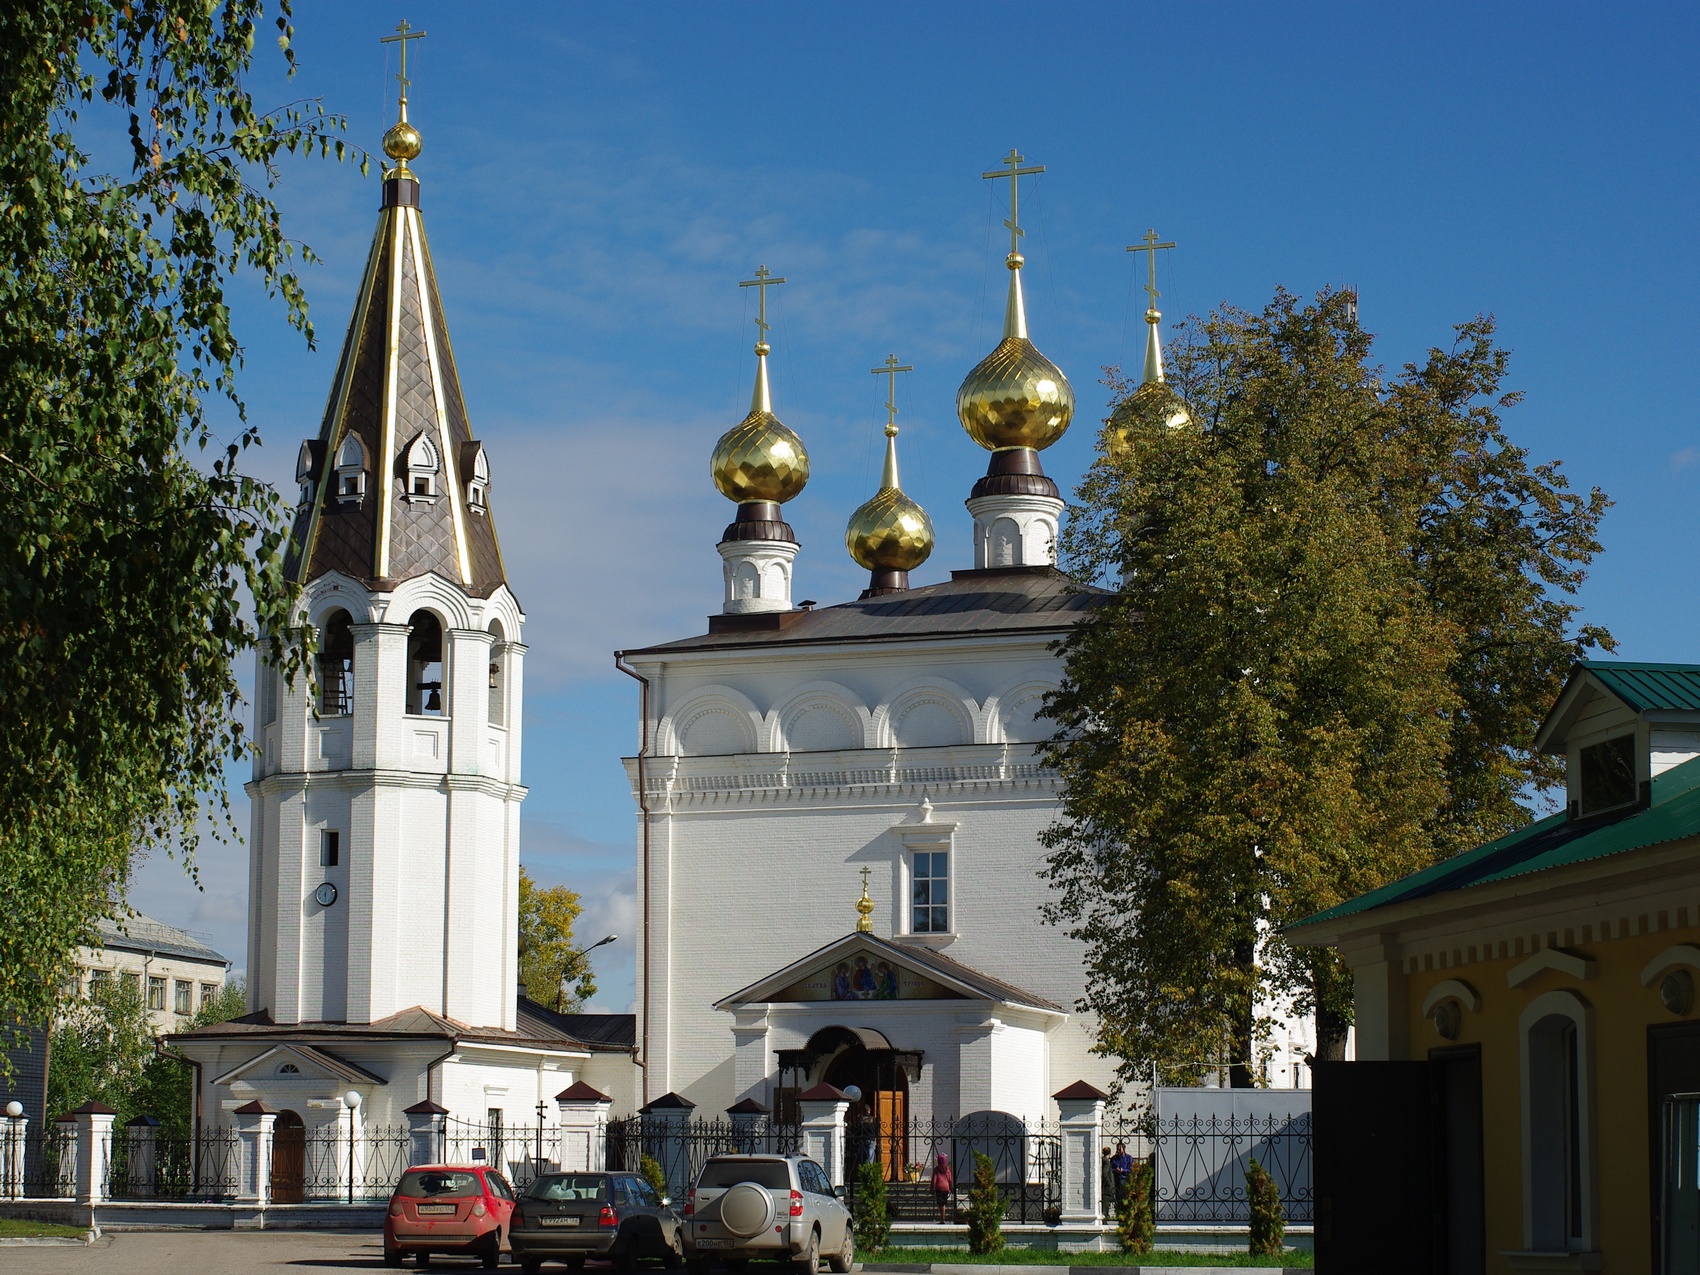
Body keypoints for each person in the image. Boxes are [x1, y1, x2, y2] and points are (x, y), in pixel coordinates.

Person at [931, 1151, 954, 1223]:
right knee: (943, 1203)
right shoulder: (948, 1169)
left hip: (939, 1187)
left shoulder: (936, 1169)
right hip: (946, 1187)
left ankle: (942, 1218)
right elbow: (950, 1179)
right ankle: (943, 1218)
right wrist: (950, 1187)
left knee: (940, 1203)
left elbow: (934, 1179)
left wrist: (932, 1187)